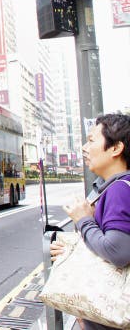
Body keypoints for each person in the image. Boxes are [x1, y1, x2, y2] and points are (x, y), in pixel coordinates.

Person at [49, 113, 130, 330]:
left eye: (92, 140)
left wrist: (84, 220)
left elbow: (118, 251)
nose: (85, 147)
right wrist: (72, 249)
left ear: (116, 148)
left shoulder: (120, 190)